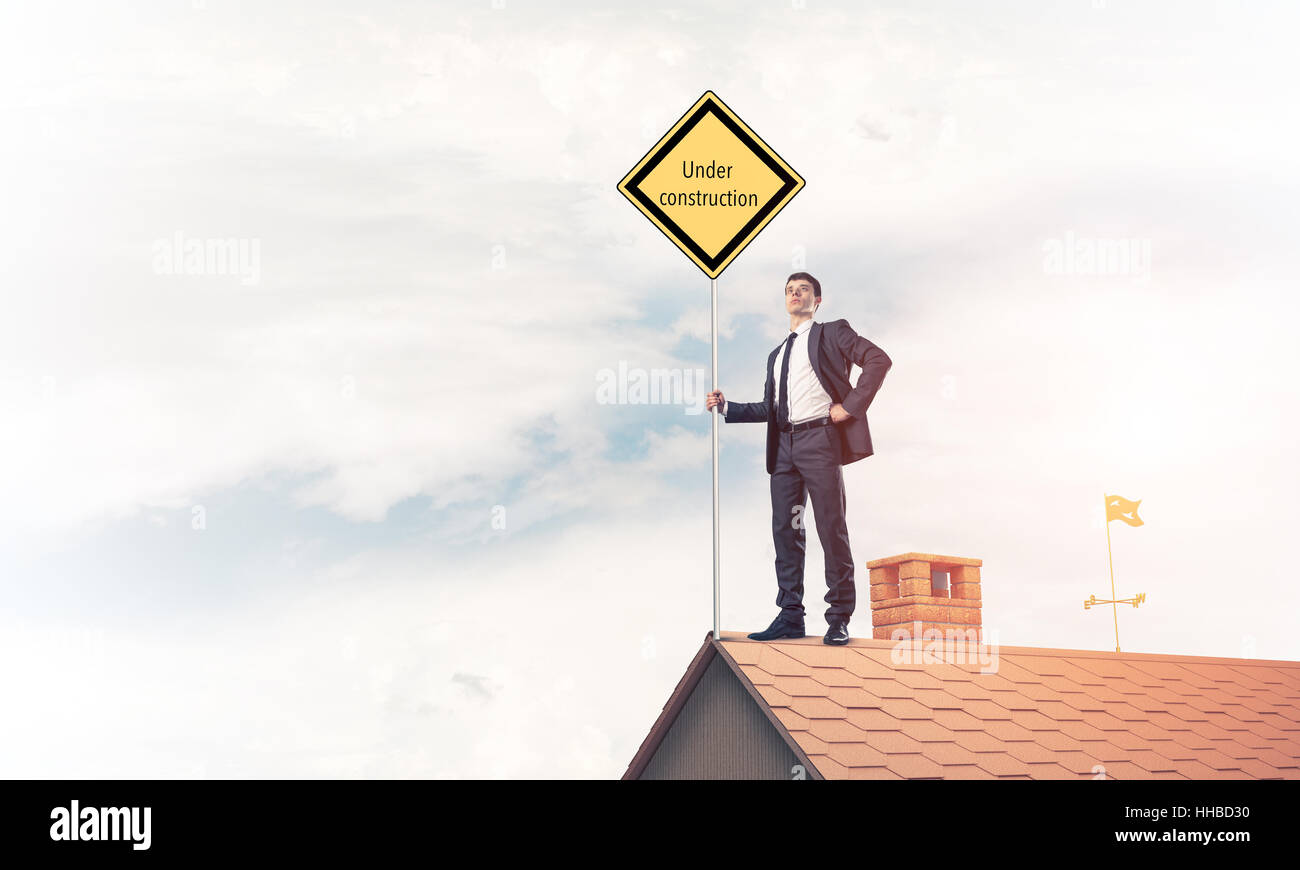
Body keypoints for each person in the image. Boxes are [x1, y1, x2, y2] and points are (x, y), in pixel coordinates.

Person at [706, 272, 892, 645]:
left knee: (830, 527)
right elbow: (771, 408)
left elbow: (877, 360)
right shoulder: (776, 355)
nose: (795, 294)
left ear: (817, 300)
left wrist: (851, 407)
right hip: (785, 450)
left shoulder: (833, 333)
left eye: (803, 289)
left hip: (820, 441)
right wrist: (729, 408)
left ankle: (838, 617)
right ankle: (790, 615)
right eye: (790, 290)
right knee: (787, 532)